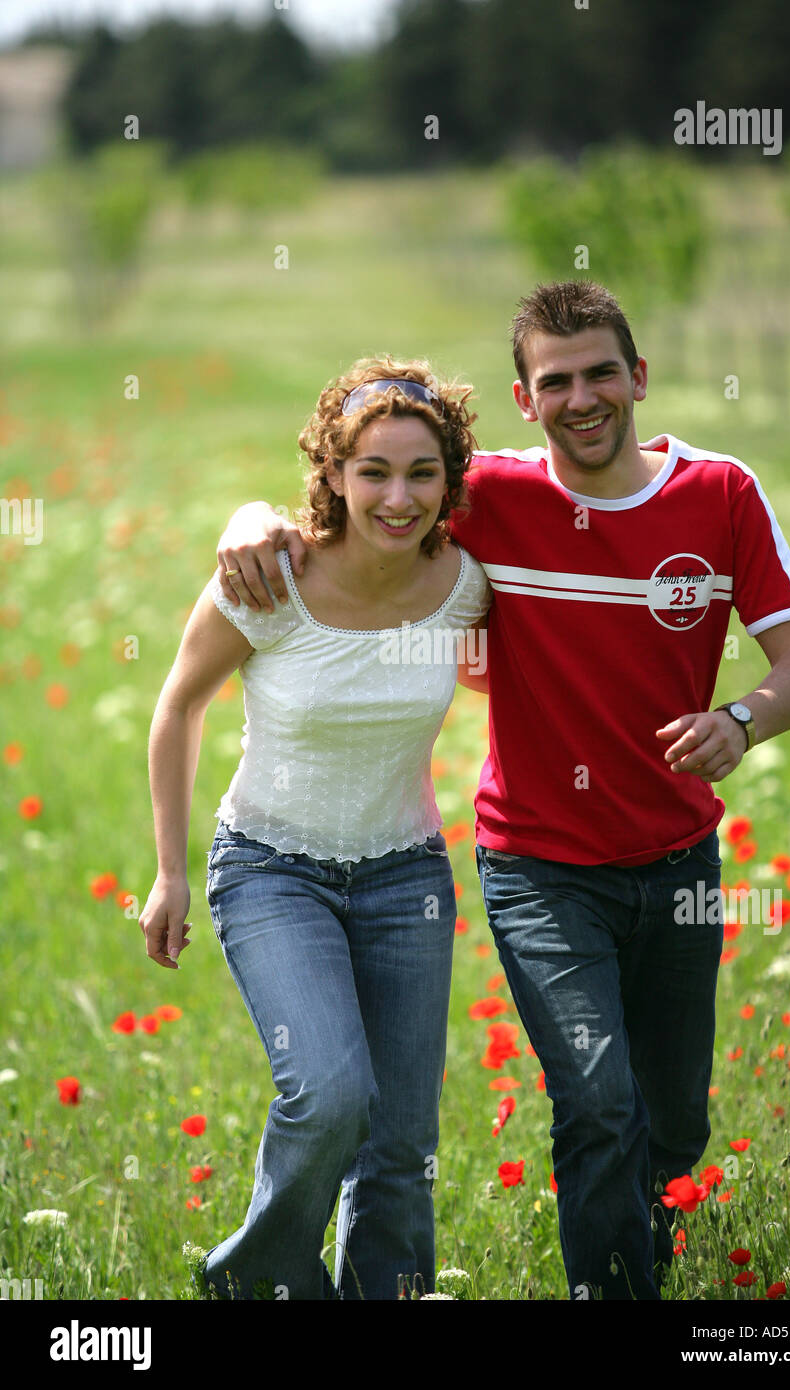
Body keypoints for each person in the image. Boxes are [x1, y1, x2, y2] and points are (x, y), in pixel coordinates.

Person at [213, 280, 790, 1301]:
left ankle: (656, 1269)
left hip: (679, 860)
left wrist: (740, 718)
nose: (581, 397)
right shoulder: (487, 497)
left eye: (599, 373)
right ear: (522, 398)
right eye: (555, 382)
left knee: (671, 1120)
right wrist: (246, 515)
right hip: (537, 864)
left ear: (637, 378)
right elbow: (361, 488)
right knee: (596, 1101)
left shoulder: (718, 494)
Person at [138, 357, 492, 1300]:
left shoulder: (466, 587)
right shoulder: (270, 580)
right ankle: (260, 1278)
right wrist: (170, 874)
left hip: (405, 876)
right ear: (334, 472)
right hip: (269, 869)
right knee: (330, 1095)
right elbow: (177, 708)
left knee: (404, 1136)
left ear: (450, 481)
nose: (398, 495)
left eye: (423, 473)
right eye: (373, 470)